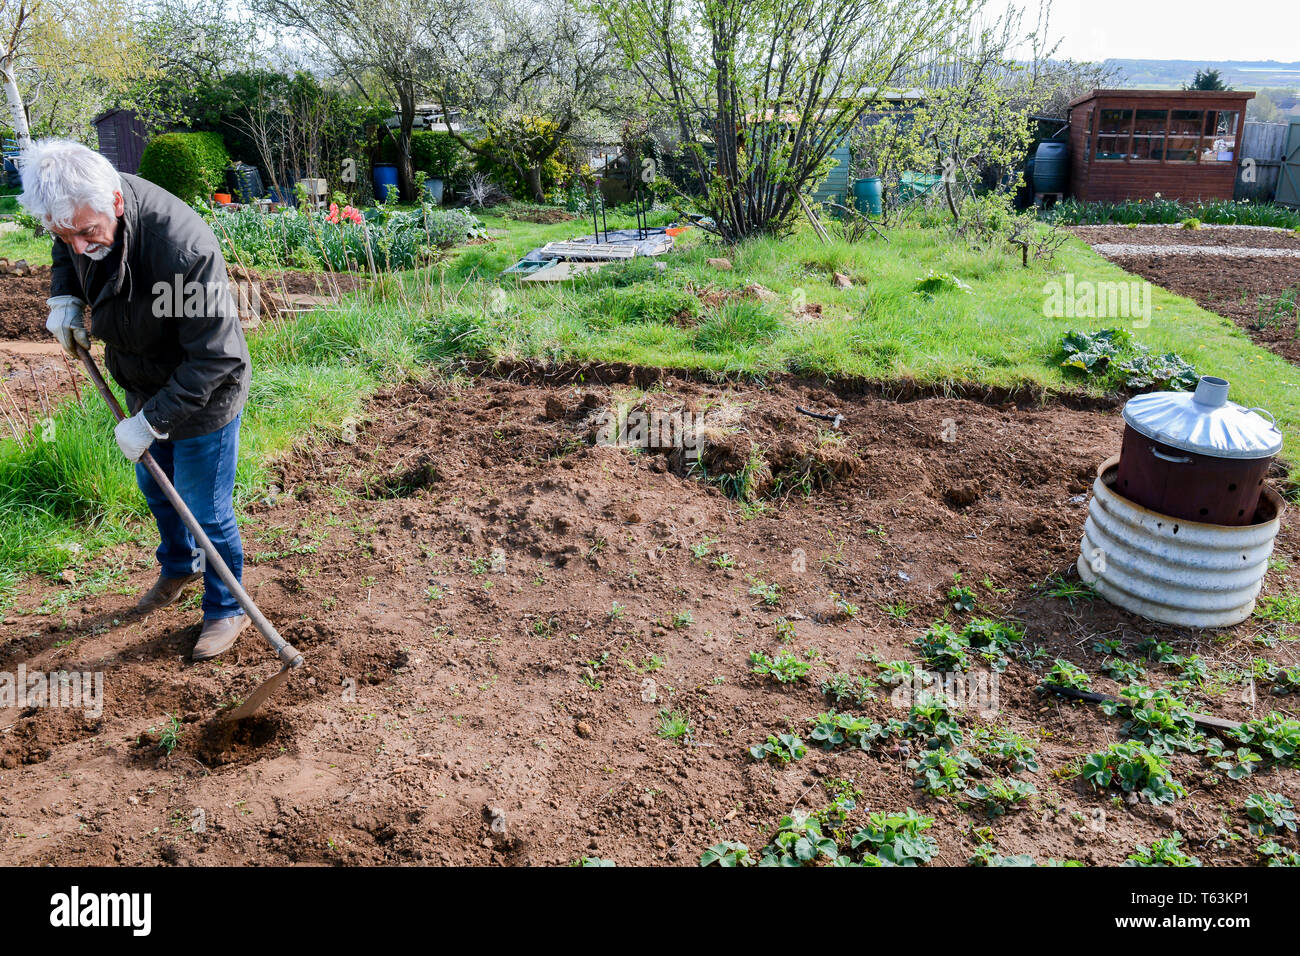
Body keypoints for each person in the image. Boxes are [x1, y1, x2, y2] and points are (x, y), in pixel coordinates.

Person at [20, 138, 251, 660]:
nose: (78, 245)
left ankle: (225, 608)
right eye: (64, 234)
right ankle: (179, 567)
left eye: (87, 233)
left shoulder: (183, 250)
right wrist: (66, 296)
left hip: (203, 393)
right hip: (141, 377)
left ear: (117, 205)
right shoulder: (80, 217)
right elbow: (68, 247)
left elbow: (217, 359)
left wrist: (152, 421)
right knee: (154, 485)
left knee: (204, 508)